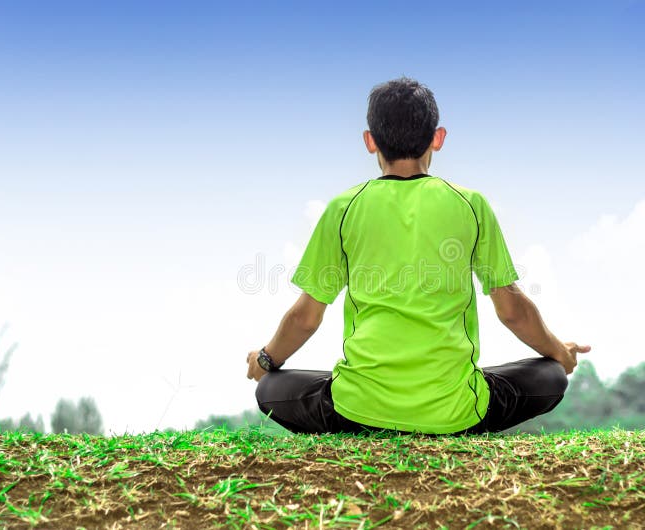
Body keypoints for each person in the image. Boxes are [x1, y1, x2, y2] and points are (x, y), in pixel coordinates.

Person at [246, 77, 590, 435]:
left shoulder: (343, 208)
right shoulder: (471, 205)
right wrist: (559, 353)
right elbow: (513, 311)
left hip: (358, 410)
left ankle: (369, 412)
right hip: (455, 413)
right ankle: (444, 409)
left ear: (370, 141)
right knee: (550, 377)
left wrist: (266, 359)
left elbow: (305, 318)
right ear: (437, 139)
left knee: (271, 388)